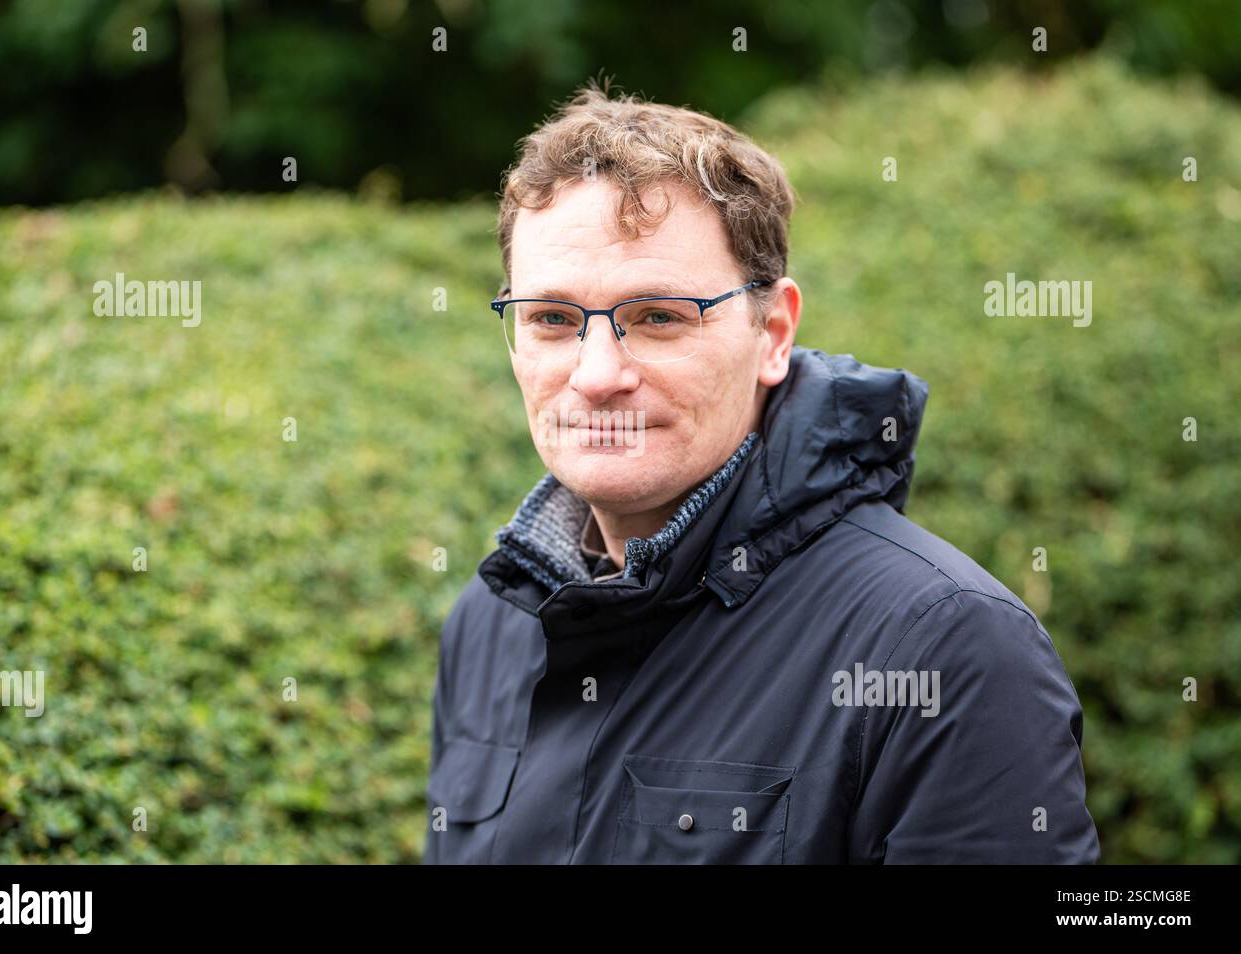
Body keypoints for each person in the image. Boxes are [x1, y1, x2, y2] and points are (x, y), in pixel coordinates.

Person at [422, 84, 1100, 864]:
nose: (597, 373)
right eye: (552, 319)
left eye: (659, 317)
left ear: (772, 332)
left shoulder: (948, 650)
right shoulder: (490, 623)